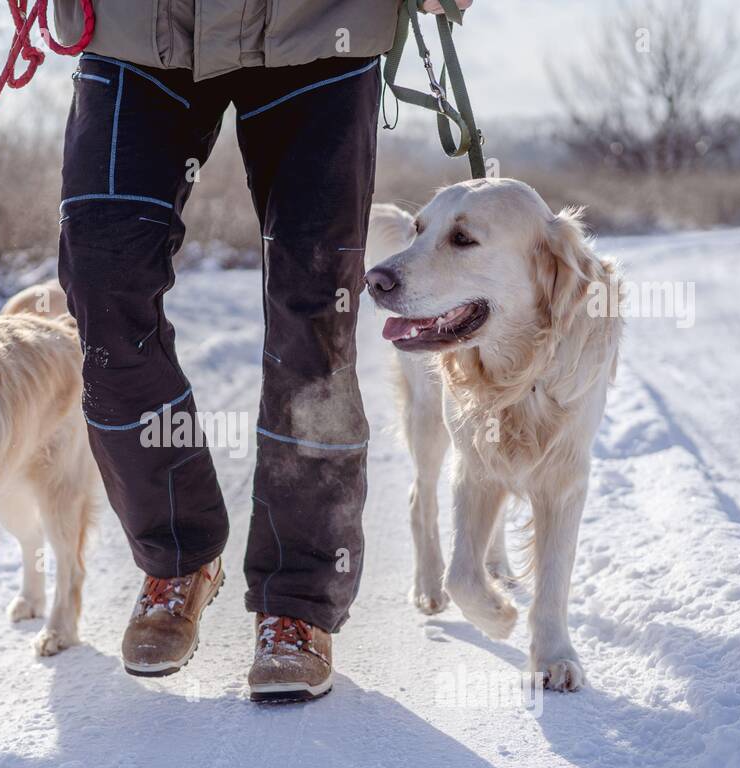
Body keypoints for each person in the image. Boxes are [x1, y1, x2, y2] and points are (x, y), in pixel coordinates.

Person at [53, 0, 473, 701]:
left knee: (315, 308)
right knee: (103, 282)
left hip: (321, 23)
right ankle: (178, 556)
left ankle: (296, 600)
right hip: (136, 26)